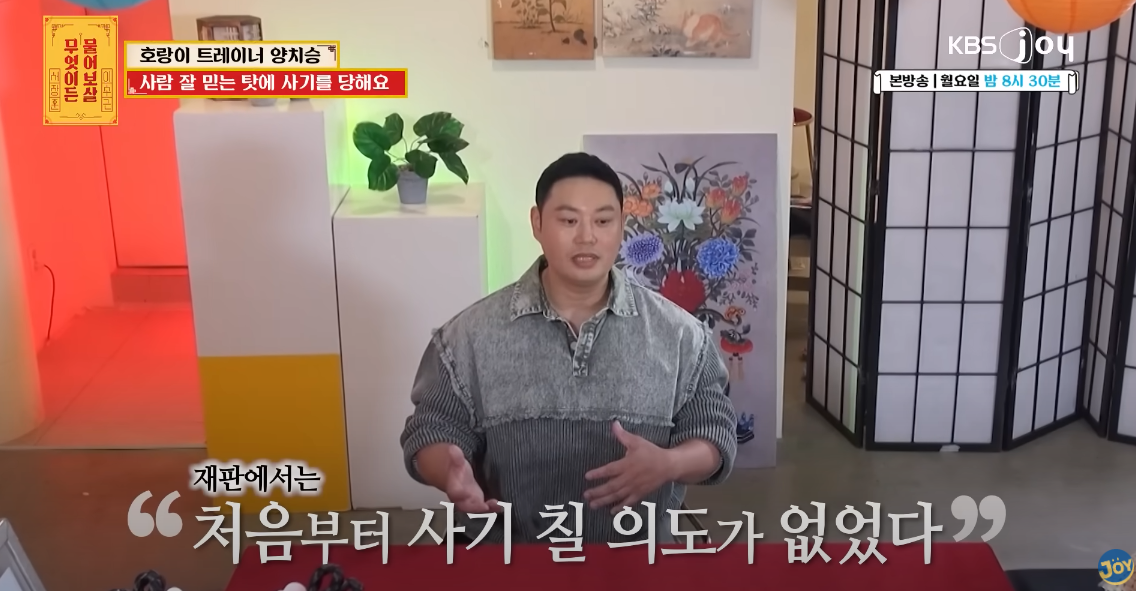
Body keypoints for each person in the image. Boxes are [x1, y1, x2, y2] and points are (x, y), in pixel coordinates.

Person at [399, 152, 738, 544]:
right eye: (569, 220)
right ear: (537, 223)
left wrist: (670, 463)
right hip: (504, 556)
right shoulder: (468, 335)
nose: (587, 236)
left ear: (621, 225)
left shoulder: (680, 335)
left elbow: (715, 432)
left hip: (639, 556)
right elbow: (431, 430)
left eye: (603, 221)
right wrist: (449, 472)